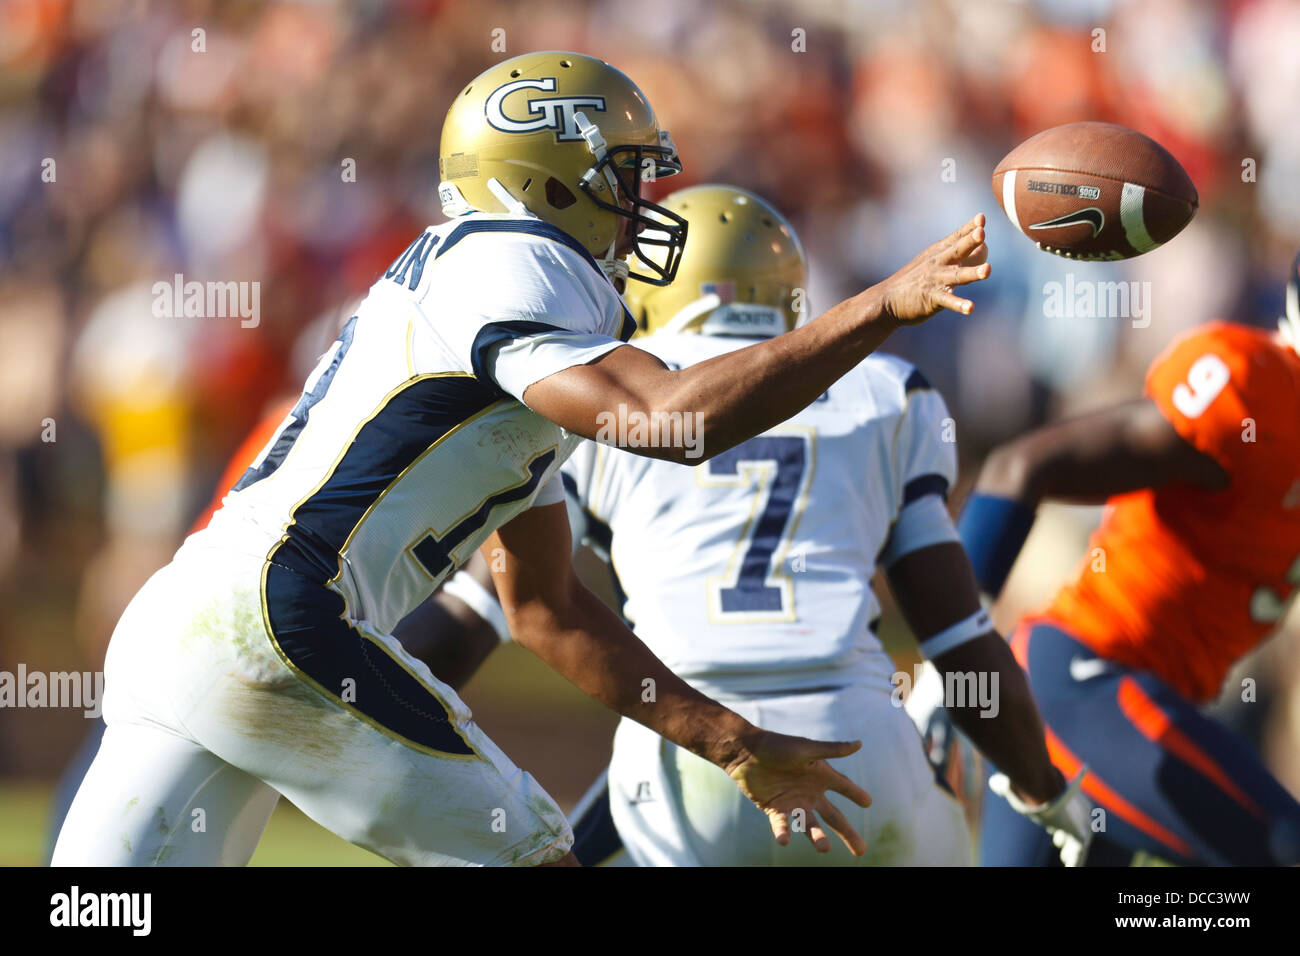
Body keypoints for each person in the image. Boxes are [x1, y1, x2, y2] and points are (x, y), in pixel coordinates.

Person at [51, 51, 993, 866]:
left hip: (187, 621)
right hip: (284, 618)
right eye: (623, 179)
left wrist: (733, 742)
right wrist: (878, 308)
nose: (639, 209)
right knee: (530, 853)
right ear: (548, 181)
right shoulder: (513, 257)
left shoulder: (500, 322)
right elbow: (669, 420)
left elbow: (547, 609)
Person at [411, 185, 1092, 866]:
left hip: (680, 760)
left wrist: (363, 710)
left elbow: (481, 612)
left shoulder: (598, 396)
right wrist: (1042, 788)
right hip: (859, 748)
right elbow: (956, 633)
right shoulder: (886, 388)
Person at [964, 251, 1300, 866]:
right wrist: (952, 658)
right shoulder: (1258, 386)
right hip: (1082, 683)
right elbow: (1021, 467)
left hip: (1138, 698)